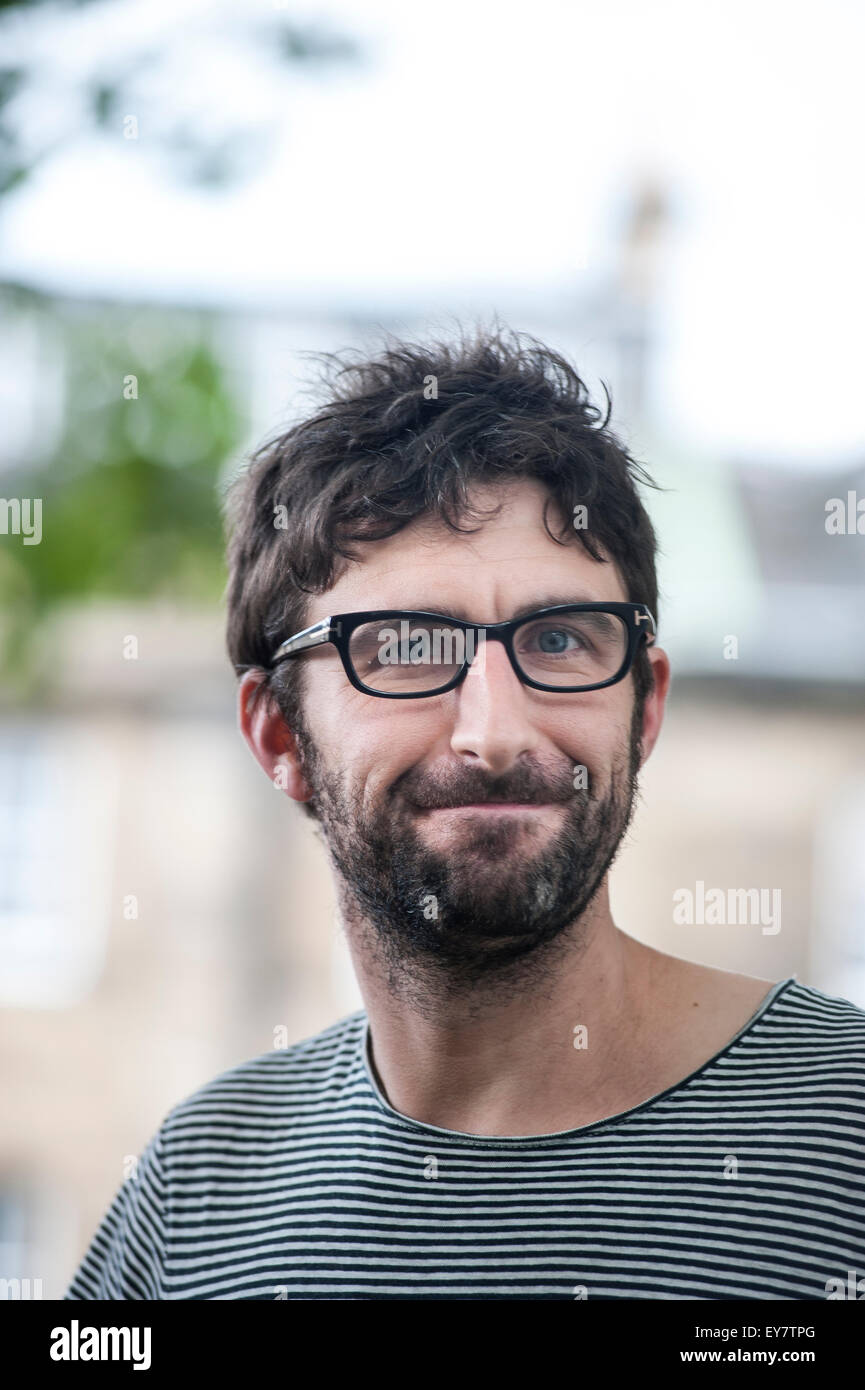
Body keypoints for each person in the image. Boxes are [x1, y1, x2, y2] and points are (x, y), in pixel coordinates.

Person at [66, 325, 865, 1300]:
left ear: (643, 705)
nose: (493, 729)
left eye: (562, 638)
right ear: (278, 734)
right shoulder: (198, 1187)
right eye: (405, 644)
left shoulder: (845, 1126)